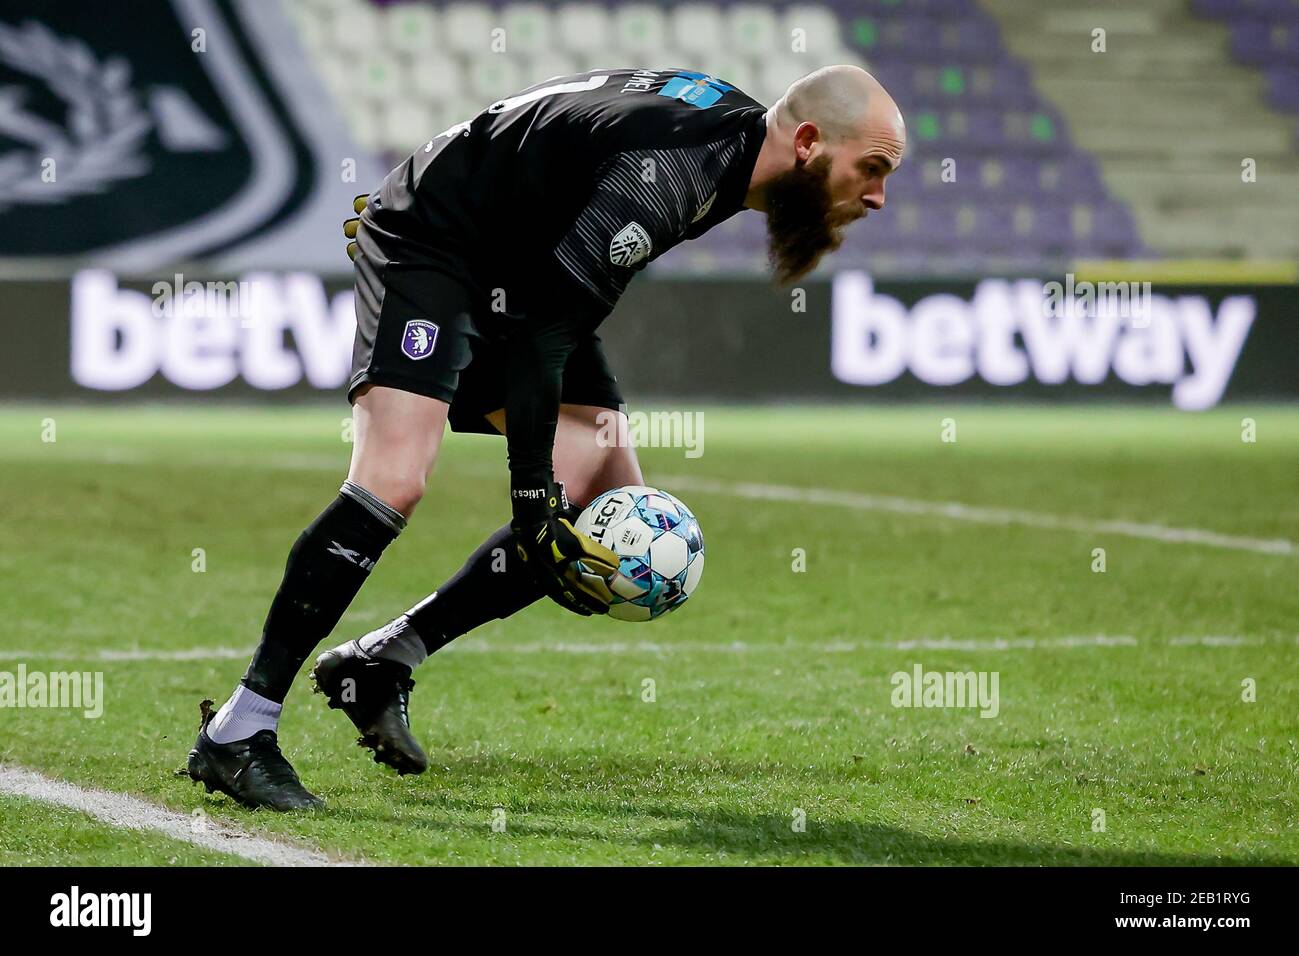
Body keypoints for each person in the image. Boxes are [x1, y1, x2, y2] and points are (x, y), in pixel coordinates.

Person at [186, 65, 906, 810]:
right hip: (434, 240)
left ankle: (383, 659)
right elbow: (541, 341)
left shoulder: (723, 143)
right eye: (873, 169)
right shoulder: (671, 175)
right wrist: (533, 500)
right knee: (395, 476)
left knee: (610, 499)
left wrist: (550, 499)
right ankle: (240, 731)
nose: (879, 196)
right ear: (811, 142)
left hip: (520, 268)